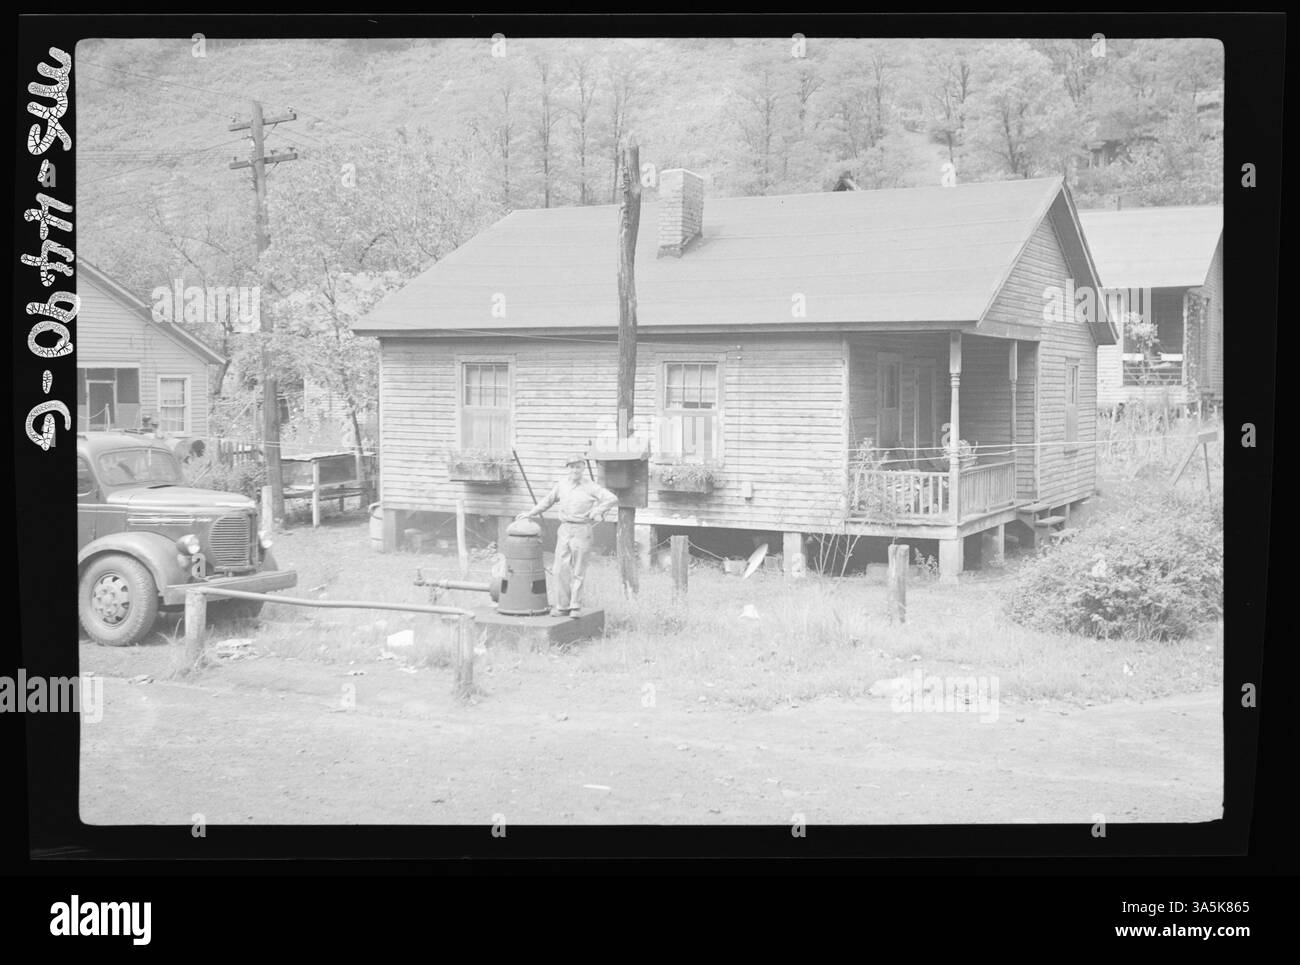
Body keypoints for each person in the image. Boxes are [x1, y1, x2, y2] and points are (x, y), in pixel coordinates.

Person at [516, 454, 618, 616]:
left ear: (583, 468)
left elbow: (611, 498)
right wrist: (530, 513)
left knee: (578, 570)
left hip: (582, 530)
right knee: (560, 568)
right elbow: (547, 501)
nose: (575, 470)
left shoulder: (591, 486)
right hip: (564, 530)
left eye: (578, 466)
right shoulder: (561, 485)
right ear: (568, 469)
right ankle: (562, 606)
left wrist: (597, 510)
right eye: (572, 467)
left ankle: (575, 607)